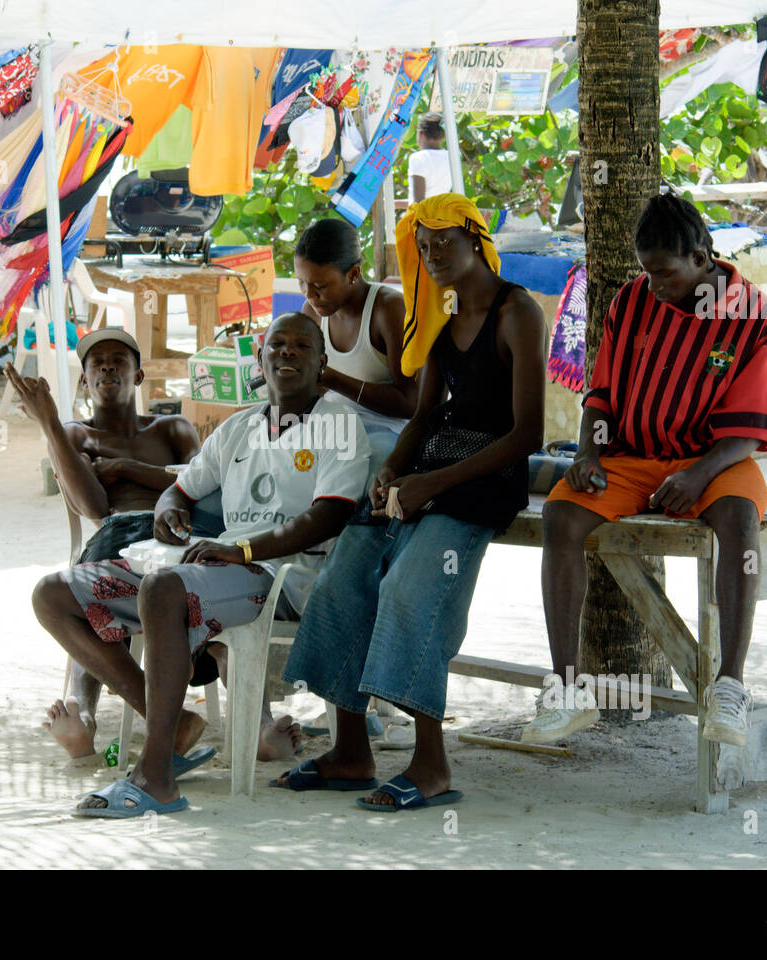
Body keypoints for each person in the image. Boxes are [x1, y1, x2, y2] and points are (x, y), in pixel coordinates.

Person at [277, 193, 545, 811]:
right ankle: (351, 752)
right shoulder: (441, 315)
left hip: (487, 474)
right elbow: (422, 415)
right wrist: (395, 468)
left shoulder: (517, 313)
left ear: (476, 236)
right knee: (343, 576)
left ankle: (431, 765)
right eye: (423, 247)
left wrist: (432, 483)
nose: (433, 255)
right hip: (428, 468)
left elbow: (526, 436)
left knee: (408, 589)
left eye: (444, 241)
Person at [60, 312, 370, 818]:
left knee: (163, 590)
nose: (286, 353)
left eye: (300, 346)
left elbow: (329, 516)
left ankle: (155, 776)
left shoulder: (337, 424)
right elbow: (178, 490)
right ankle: (172, 719)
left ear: (322, 362)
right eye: (277, 345)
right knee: (56, 593)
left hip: (285, 577)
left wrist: (244, 550)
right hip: (221, 568)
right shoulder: (241, 425)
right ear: (260, 358)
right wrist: (169, 515)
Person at [529, 193, 767, 748]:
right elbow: (601, 391)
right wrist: (588, 453)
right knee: (561, 516)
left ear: (700, 257)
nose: (653, 284)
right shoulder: (630, 301)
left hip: (714, 461)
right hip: (633, 457)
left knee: (740, 520)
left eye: (663, 273)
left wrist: (696, 476)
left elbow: (748, 428)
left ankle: (730, 688)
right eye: (645, 271)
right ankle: (567, 689)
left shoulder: (757, 317)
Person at [14, 328, 306, 766]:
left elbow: (206, 486)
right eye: (97, 363)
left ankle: (258, 727)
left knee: (219, 615)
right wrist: (51, 425)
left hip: (188, 533)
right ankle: (86, 716)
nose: (107, 367)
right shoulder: (75, 434)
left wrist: (125, 468)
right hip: (121, 535)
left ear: (139, 376)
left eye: (119, 360)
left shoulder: (170, 426)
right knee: (82, 600)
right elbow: (93, 504)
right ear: (84, 381)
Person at [295, 216, 419, 747]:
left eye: (321, 285)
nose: (312, 297)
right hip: (334, 437)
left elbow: (411, 401)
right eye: (303, 284)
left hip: (389, 445)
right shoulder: (312, 310)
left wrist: (330, 377)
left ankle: (378, 695)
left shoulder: (385, 307)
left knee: (359, 552)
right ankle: (341, 685)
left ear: (355, 272)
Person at [408, 112, 452, 204]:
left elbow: (419, 202)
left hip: (424, 216)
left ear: (421, 134)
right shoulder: (450, 157)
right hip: (441, 214)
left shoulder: (418, 158)